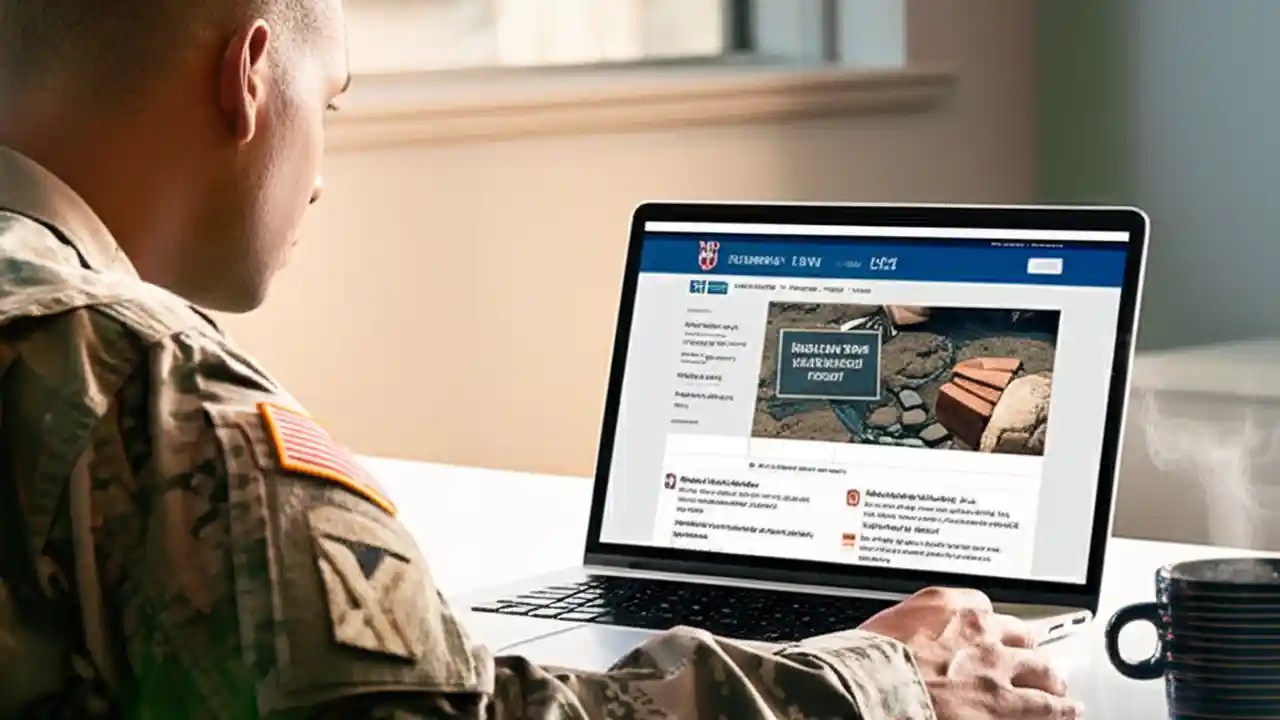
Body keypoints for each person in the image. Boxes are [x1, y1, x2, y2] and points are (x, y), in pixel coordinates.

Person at [0, 1, 1081, 718]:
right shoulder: (156, 401)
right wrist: (886, 680)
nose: (322, 173)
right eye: (328, 103)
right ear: (247, 75)